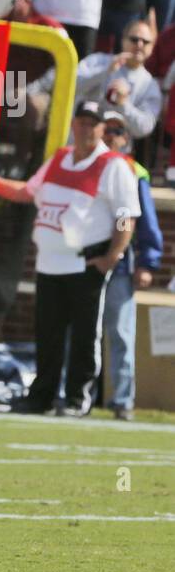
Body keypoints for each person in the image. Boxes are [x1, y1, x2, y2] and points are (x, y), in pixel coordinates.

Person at [0, 100, 141, 416]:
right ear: (73, 124)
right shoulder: (58, 158)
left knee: (85, 336)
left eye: (93, 123)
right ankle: (41, 396)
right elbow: (26, 192)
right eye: (82, 121)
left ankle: (77, 399)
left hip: (85, 263)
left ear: (102, 128)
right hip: (49, 263)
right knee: (48, 333)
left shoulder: (113, 165)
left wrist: (112, 256)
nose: (86, 128)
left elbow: (126, 215)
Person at [99, 113, 163, 422]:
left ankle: (122, 400)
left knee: (121, 335)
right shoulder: (84, 164)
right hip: (83, 264)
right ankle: (71, 394)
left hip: (122, 266)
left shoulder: (133, 171)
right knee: (79, 333)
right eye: (107, 129)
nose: (111, 135)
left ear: (127, 138)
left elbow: (145, 221)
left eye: (118, 131)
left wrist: (147, 261)